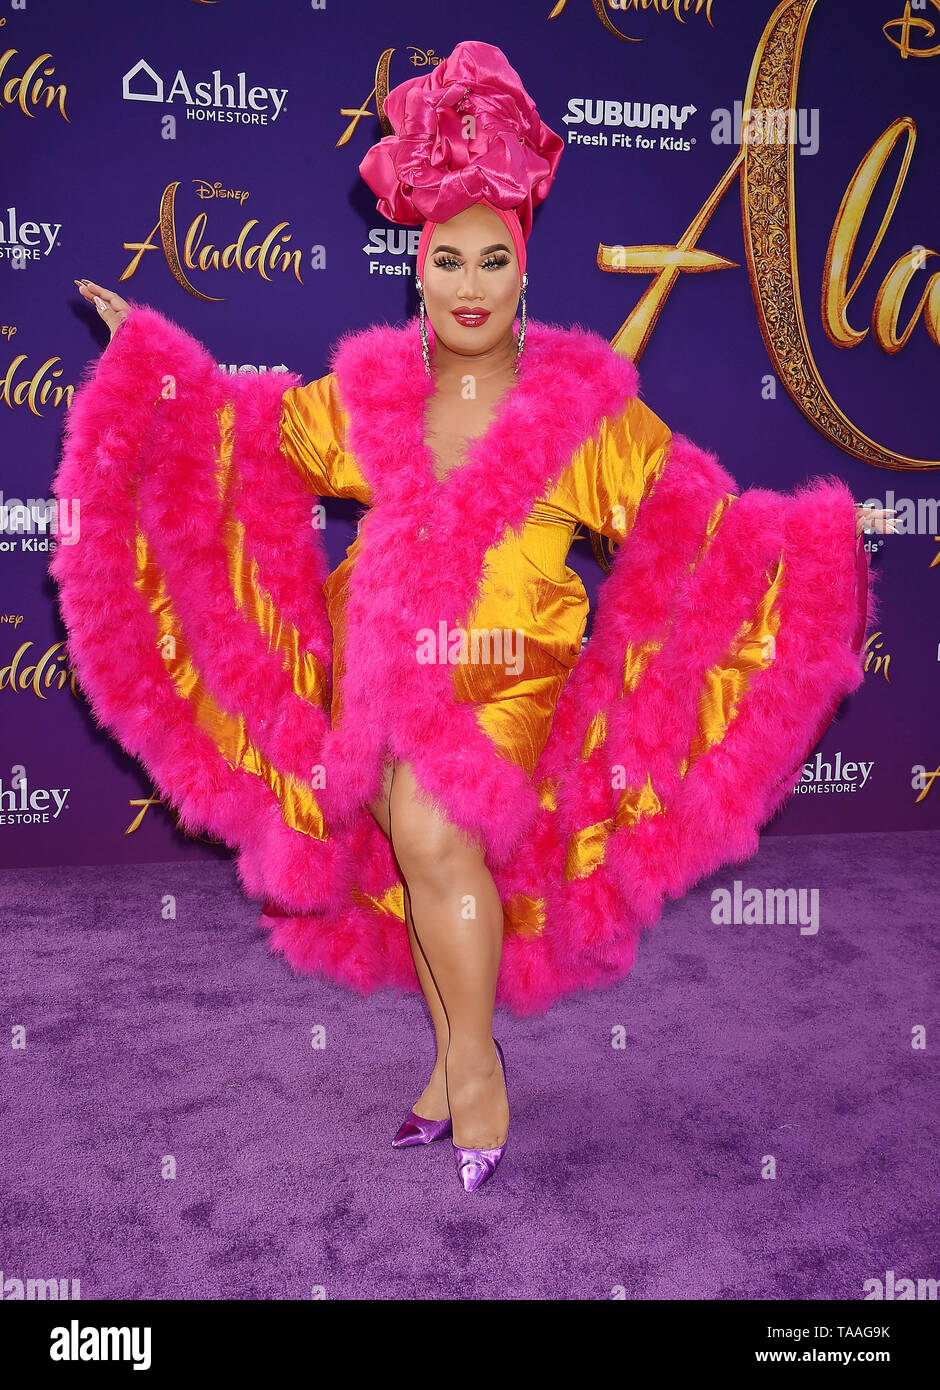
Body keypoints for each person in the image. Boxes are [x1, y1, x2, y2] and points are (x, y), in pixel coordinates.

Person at [59, 41, 895, 1194]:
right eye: (445, 259)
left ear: (522, 271)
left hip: (505, 681)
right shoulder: (367, 393)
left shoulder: (584, 409)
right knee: (411, 847)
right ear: (417, 267)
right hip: (383, 673)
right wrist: (151, 368)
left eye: (491, 261)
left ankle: (475, 1068)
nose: (467, 284)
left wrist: (805, 557)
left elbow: (690, 519)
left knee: (436, 833)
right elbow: (242, 445)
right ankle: (453, 1071)